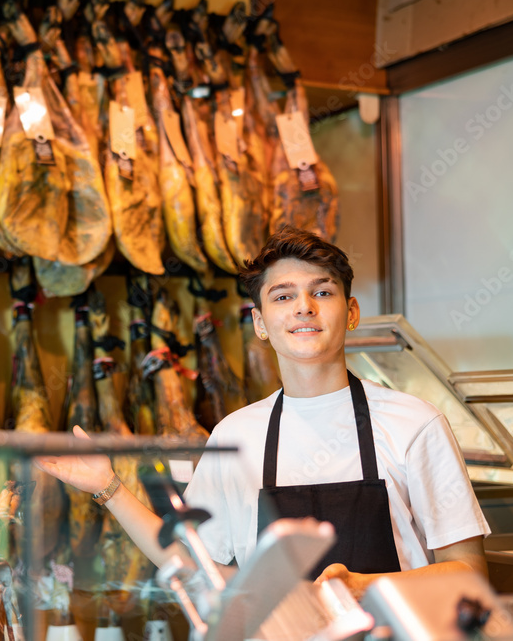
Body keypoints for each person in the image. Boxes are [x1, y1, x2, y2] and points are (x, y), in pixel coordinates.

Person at [36, 226, 489, 599]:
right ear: (259, 323)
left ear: (350, 312)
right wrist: (110, 489)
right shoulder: (238, 435)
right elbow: (199, 567)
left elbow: (468, 575)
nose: (304, 308)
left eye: (322, 292)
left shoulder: (414, 423)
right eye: (283, 297)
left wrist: (363, 587)